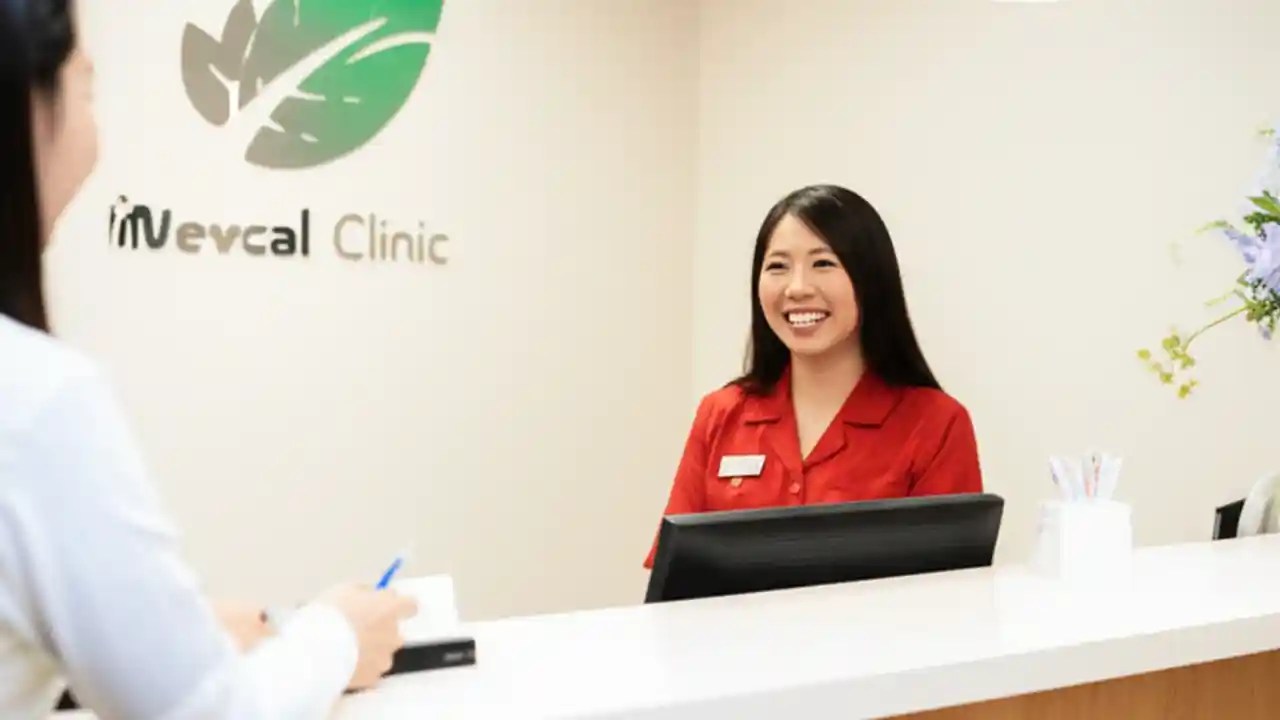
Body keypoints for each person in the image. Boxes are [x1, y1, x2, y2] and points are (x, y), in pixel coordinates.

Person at [0, 1, 417, 717]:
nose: (96, 138)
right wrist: (336, 635)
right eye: (86, 89)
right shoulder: (35, 399)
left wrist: (161, 643)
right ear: (27, 106)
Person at [645, 184, 982, 568]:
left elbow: (949, 591)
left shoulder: (937, 424)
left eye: (823, 263)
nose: (797, 288)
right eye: (778, 266)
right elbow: (672, 578)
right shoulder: (720, 414)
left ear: (871, 279)